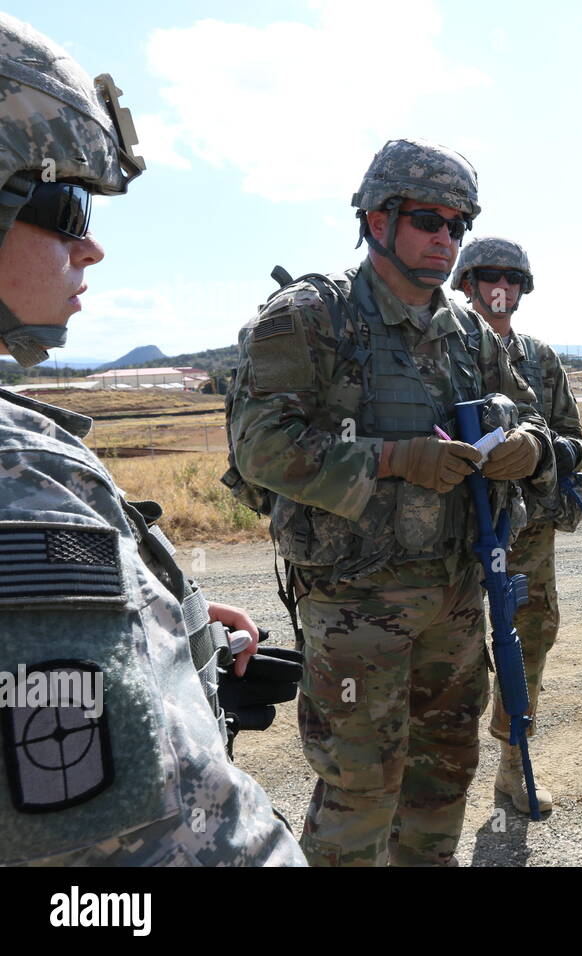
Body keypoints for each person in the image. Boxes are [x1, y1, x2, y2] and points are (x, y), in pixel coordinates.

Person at [0, 13, 304, 866]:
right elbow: (119, 853)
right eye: (64, 204)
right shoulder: (17, 471)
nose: (90, 247)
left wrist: (174, 628)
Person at [227, 140, 556, 866]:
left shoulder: (468, 329)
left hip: (457, 595)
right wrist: (396, 460)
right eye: (429, 220)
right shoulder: (313, 316)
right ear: (378, 220)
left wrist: (523, 449)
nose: (446, 239)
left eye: (457, 225)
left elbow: (536, 422)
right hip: (353, 604)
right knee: (361, 787)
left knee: (444, 777)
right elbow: (262, 448)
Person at [453, 237, 582, 815]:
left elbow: (576, 444)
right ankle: (438, 782)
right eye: (488, 275)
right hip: (450, 528)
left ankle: (513, 765)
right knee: (449, 646)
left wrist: (539, 449)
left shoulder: (540, 357)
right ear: (466, 284)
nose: (500, 286)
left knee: (530, 636)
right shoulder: (439, 350)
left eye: (512, 277)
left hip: (526, 526)